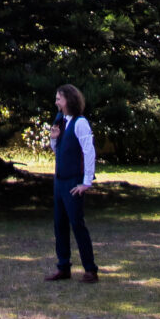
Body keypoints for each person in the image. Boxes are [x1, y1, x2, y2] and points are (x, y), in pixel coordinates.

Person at [48, 83, 98, 281]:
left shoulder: (80, 123)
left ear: (68, 100)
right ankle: (63, 267)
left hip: (73, 181)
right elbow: (59, 151)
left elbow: (89, 151)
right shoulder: (62, 121)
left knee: (77, 224)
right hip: (59, 181)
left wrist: (86, 182)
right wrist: (54, 139)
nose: (56, 102)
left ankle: (90, 269)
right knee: (59, 224)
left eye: (58, 99)